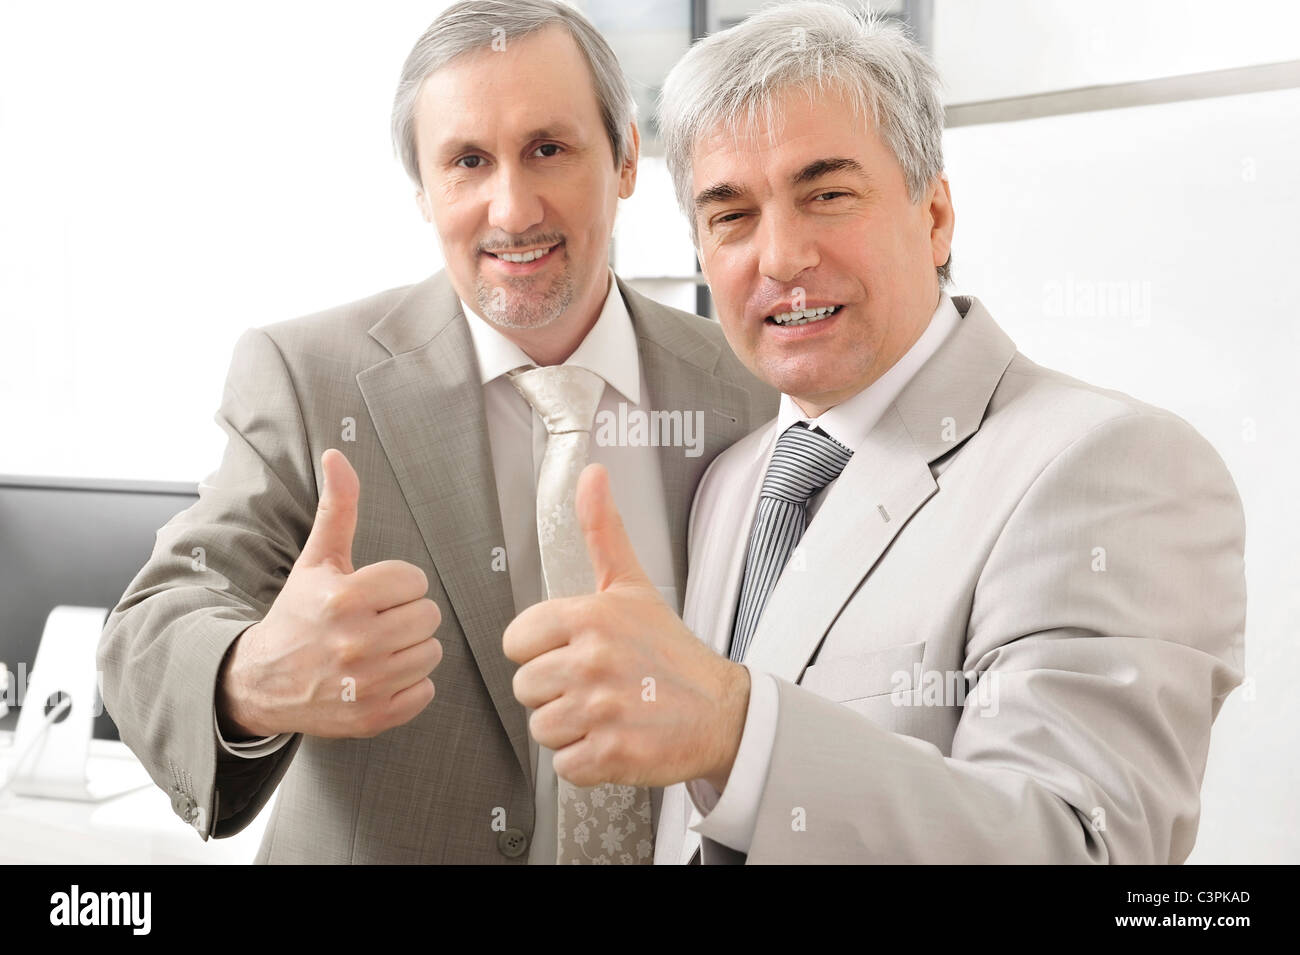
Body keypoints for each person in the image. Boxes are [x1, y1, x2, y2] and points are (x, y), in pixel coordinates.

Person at [503, 2, 1247, 864]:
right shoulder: (735, 479)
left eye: (827, 194)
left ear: (934, 216)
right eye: (731, 214)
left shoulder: (1110, 465)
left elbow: (1073, 847)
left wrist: (736, 729)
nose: (779, 256)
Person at [96, 0, 774, 864]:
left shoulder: (750, 385)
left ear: (628, 157)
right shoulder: (309, 375)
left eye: (548, 149)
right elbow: (149, 627)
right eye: (467, 161)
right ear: (422, 189)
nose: (512, 207)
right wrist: (255, 671)